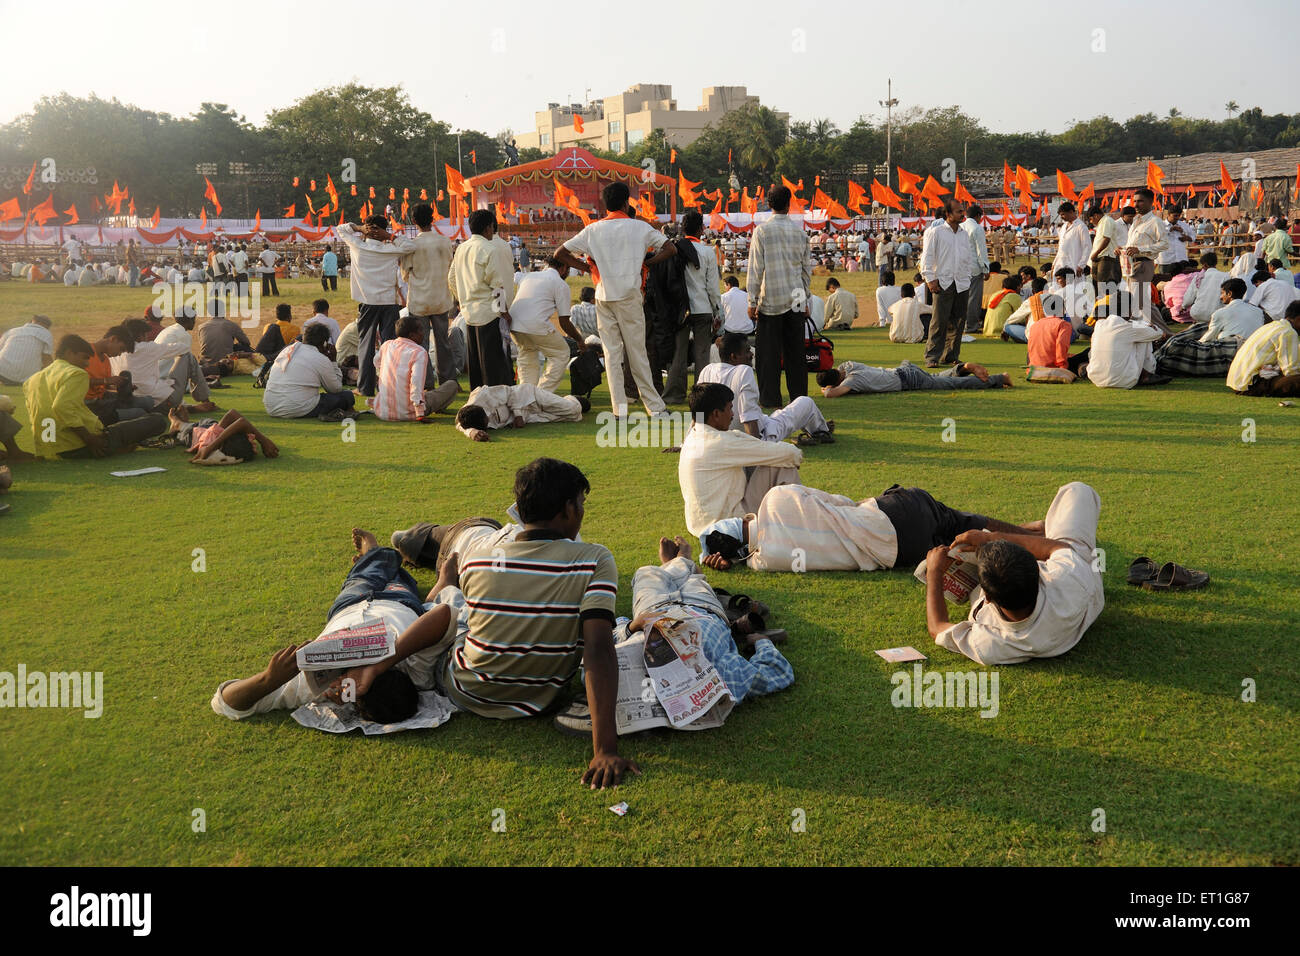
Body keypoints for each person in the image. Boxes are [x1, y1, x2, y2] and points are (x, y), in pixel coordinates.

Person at [440, 458, 638, 787]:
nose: (582, 512)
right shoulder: (594, 559)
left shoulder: (476, 559)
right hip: (538, 700)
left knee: (447, 608)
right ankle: (438, 580)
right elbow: (599, 648)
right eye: (581, 504)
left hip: (466, 688)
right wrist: (604, 748)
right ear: (567, 510)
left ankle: (440, 581)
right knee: (447, 605)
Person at [923, 483, 1104, 666]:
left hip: (1068, 589)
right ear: (1040, 572)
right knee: (1078, 490)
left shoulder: (989, 642)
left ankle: (1035, 531)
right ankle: (1036, 532)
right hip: (1084, 576)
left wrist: (934, 572)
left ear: (986, 597)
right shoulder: (1066, 576)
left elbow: (937, 628)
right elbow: (1059, 548)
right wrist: (990, 539)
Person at [698, 482, 1044, 574]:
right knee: (959, 521)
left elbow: (742, 560)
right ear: (744, 520)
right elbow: (840, 502)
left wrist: (722, 563)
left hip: (898, 555)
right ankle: (1033, 534)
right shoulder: (775, 498)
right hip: (894, 515)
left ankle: (1027, 537)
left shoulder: (764, 563)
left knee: (955, 538)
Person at [554, 182, 677, 417]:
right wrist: (646, 264)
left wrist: (588, 269)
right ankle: (655, 407)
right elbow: (671, 249)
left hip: (603, 295)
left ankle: (619, 410)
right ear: (625, 203)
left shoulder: (593, 229)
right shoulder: (639, 228)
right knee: (637, 352)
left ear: (605, 204)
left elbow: (560, 253)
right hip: (629, 295)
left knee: (612, 354)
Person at [678, 382, 803, 537]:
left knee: (778, 460)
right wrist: (789, 458)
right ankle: (799, 524)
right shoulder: (720, 442)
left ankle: (794, 518)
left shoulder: (692, 437)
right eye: (730, 408)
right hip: (730, 525)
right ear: (716, 414)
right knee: (783, 465)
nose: (732, 415)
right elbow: (791, 454)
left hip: (699, 525)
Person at [24, 335, 167, 458]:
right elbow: (61, 407)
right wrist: (89, 439)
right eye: (84, 358)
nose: (86, 364)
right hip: (80, 444)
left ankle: (119, 444)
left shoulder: (32, 379)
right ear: (69, 353)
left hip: (49, 447)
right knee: (158, 420)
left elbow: (35, 415)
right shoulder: (76, 373)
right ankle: (115, 446)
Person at [697, 332, 833, 447]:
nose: (751, 354)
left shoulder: (707, 370)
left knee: (776, 415)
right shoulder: (744, 371)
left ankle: (818, 427)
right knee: (805, 402)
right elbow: (748, 417)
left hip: (717, 439)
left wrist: (685, 443)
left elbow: (697, 411)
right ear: (733, 356)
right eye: (747, 351)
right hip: (757, 437)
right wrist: (758, 451)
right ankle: (821, 430)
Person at [743, 185, 810, 407]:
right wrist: (805, 300)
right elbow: (805, 272)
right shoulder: (800, 233)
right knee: (796, 355)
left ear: (769, 205)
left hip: (770, 299)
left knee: (768, 356)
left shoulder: (762, 231)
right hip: (796, 299)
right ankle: (799, 399)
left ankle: (770, 398)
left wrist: (752, 301)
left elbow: (755, 269)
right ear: (789, 204)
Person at [337, 214, 417, 396]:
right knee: (389, 345)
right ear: (383, 230)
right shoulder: (390, 249)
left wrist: (359, 228)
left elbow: (341, 229)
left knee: (365, 345)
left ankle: (365, 388)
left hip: (368, 302)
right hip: (389, 302)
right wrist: (388, 236)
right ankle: (388, 387)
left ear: (367, 230)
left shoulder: (358, 245)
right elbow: (411, 246)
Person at [449, 209, 516, 391]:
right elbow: (497, 286)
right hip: (489, 313)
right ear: (489, 228)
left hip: (470, 313)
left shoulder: (461, 248)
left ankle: (478, 402)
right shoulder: (489, 249)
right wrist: (504, 312)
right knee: (495, 367)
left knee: (477, 367)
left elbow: (451, 278)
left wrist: (463, 300)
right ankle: (496, 408)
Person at [665, 211, 723, 405]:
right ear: (701, 229)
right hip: (702, 307)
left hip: (680, 309)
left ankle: (674, 394)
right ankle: (702, 395)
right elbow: (713, 287)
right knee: (702, 355)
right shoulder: (707, 252)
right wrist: (718, 311)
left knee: (679, 353)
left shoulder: (674, 248)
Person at [400, 202, 458, 388]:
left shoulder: (412, 246)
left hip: (419, 301)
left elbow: (405, 275)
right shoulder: (444, 242)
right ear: (432, 219)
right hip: (441, 299)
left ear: (414, 221)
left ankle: (425, 384)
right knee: (443, 344)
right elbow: (450, 267)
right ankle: (449, 382)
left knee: (420, 346)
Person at [1156, 278, 1262, 377]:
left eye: (1222, 293)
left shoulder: (1221, 313)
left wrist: (1194, 344)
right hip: (1253, 353)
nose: (1220, 297)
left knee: (1180, 342)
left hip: (1229, 351)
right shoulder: (1258, 311)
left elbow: (1206, 340)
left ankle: (1161, 352)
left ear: (1229, 294)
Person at [509, 256, 587, 393]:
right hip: (535, 324)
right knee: (561, 353)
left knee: (528, 356)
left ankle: (525, 398)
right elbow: (564, 322)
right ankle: (541, 395)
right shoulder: (559, 283)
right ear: (564, 268)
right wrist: (579, 339)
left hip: (514, 324)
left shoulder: (529, 276)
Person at [919, 198, 975, 367]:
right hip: (942, 281)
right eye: (958, 211)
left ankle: (950, 356)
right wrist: (930, 279)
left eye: (962, 211)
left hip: (961, 282)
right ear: (948, 214)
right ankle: (932, 357)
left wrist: (967, 277)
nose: (962, 214)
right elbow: (927, 258)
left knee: (958, 322)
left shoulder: (964, 233)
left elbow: (968, 257)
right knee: (939, 321)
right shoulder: (935, 232)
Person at [372, 315, 458, 421]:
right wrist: (419, 413)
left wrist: (388, 374)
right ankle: (425, 406)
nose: (424, 333)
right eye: (421, 330)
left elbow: (376, 362)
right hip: (408, 413)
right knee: (452, 385)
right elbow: (416, 383)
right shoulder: (418, 352)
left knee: (422, 393)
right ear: (412, 335)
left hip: (382, 412)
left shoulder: (386, 345)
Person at [263, 324, 357, 421]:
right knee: (347, 396)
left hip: (271, 407)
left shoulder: (287, 350)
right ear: (324, 343)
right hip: (296, 408)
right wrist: (333, 361)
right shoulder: (320, 359)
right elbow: (336, 389)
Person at [453, 385, 587, 441]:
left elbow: (509, 391)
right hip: (530, 417)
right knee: (573, 418)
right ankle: (567, 402)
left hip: (529, 397)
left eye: (485, 418)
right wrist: (472, 433)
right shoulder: (467, 420)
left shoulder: (482, 396)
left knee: (573, 410)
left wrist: (517, 415)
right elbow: (460, 425)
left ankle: (572, 399)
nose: (488, 421)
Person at [1225, 300, 1300, 396]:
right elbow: (1292, 371)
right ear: (1298, 319)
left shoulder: (1273, 326)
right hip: (1252, 385)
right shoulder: (1288, 332)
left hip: (1240, 382)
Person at [818, 359, 1011, 396]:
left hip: (907, 381)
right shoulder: (848, 366)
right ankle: (963, 367)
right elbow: (836, 369)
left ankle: (999, 379)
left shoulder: (853, 381)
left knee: (949, 384)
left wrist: (826, 390)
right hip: (904, 370)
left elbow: (834, 393)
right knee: (938, 378)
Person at [1087, 304, 1167, 389]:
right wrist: (1145, 325)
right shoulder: (1129, 326)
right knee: (1144, 338)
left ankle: (1145, 373)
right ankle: (1146, 373)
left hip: (1096, 379)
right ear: (1128, 310)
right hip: (1124, 381)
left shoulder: (1099, 325)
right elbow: (1159, 333)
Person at [167, 406, 279, 464]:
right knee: (182, 427)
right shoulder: (209, 443)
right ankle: (176, 422)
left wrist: (263, 441)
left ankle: (181, 421)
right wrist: (263, 441)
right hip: (200, 430)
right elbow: (238, 419)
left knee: (191, 428)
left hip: (203, 430)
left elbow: (240, 421)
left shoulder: (211, 443)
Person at [154, 309, 214, 408]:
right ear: (189, 320)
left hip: (156, 379)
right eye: (194, 319)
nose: (195, 322)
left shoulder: (168, 330)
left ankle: (204, 398)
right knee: (190, 358)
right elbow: (188, 365)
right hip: (165, 382)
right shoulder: (183, 335)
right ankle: (205, 400)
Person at [0, 315, 54, 385]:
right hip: (26, 379)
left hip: (2, 373)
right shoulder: (46, 334)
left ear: (32, 321)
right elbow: (47, 359)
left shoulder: (13, 331)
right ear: (47, 326)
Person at [961, 204, 990, 333]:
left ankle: (961, 324)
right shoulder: (977, 228)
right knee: (973, 298)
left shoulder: (960, 227)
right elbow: (981, 251)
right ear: (978, 216)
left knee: (961, 298)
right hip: (974, 268)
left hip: (960, 267)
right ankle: (971, 325)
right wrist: (985, 269)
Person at [1182, 252, 1230, 326]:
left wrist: (1183, 306)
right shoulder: (1225, 276)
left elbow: (1188, 298)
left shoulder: (1198, 277)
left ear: (1205, 265)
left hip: (1198, 313)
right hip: (1217, 313)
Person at [1087, 206, 1121, 287]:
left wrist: (1096, 253)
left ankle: (1105, 299)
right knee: (1097, 285)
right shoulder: (1102, 223)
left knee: (1103, 285)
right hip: (1099, 257)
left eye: (1091, 219)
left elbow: (1106, 239)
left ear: (1096, 215)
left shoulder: (1106, 221)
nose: (1091, 222)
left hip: (1105, 257)